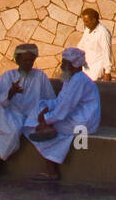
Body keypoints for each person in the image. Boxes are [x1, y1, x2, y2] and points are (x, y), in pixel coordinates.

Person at [0, 42, 55, 178]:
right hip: (11, 113)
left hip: (34, 115)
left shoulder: (40, 76)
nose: (28, 63)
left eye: (31, 60)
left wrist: (43, 114)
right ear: (17, 60)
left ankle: (51, 171)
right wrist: (10, 93)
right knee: (14, 131)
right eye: (25, 60)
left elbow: (50, 99)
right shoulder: (8, 76)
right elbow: (2, 103)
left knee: (42, 133)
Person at [26, 46, 101, 179]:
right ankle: (52, 166)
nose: (61, 66)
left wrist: (45, 121)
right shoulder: (70, 79)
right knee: (37, 110)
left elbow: (64, 109)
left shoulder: (79, 80)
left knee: (34, 128)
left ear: (74, 64)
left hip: (83, 123)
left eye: (64, 63)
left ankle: (51, 171)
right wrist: (46, 108)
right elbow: (60, 101)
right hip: (73, 118)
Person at [76, 5, 112, 82]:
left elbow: (107, 52)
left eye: (86, 21)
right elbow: (81, 45)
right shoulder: (87, 30)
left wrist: (108, 72)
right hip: (87, 69)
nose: (85, 24)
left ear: (94, 20)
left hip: (97, 70)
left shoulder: (103, 33)